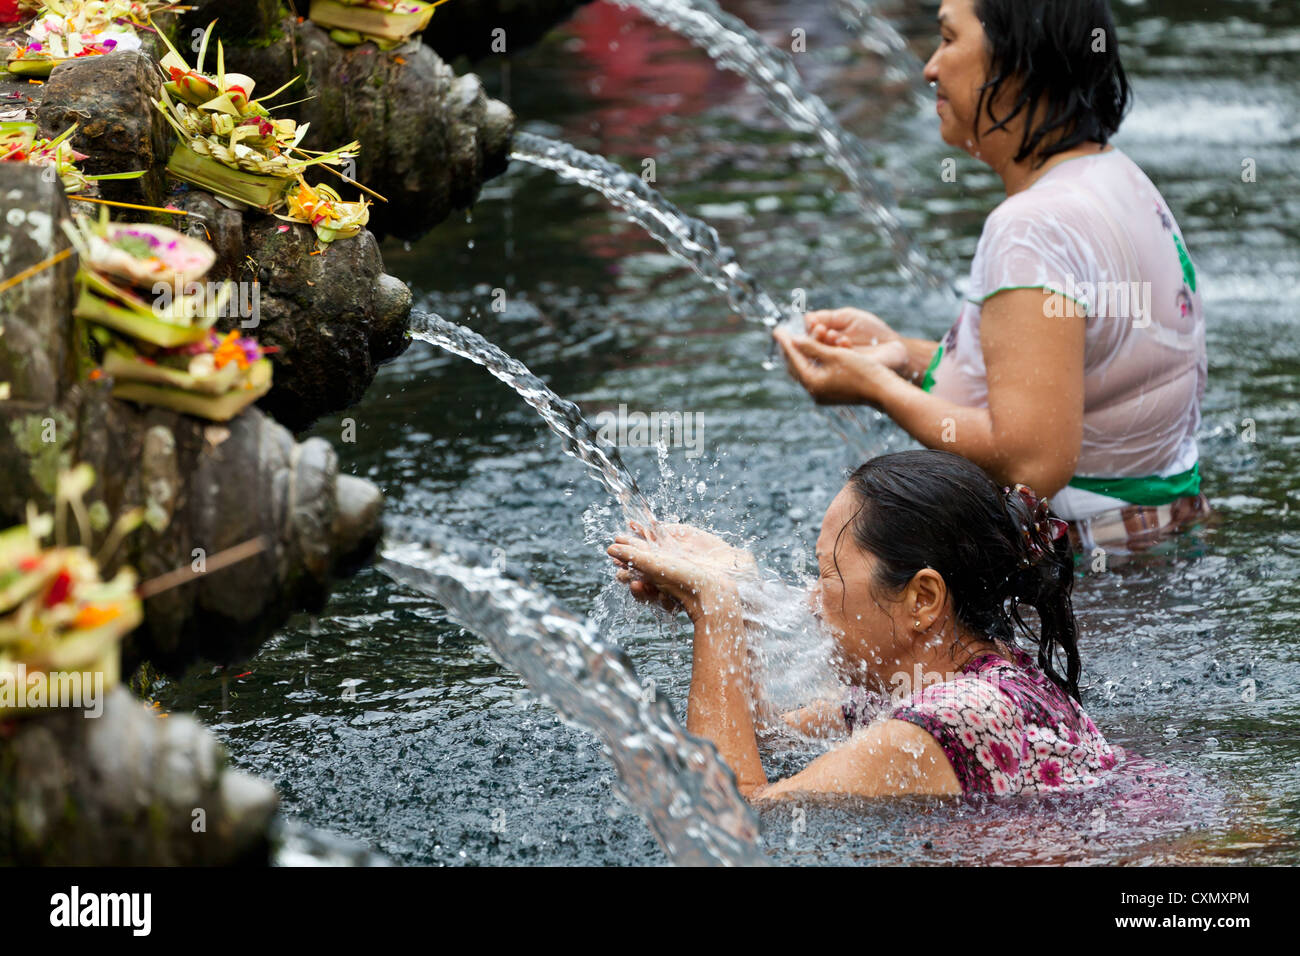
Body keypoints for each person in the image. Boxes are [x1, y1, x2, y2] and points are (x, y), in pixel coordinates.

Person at [773, 0, 1209, 557]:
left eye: (949, 40)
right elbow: (1068, 376)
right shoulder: (1114, 177)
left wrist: (874, 387)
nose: (930, 67)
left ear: (1015, 62)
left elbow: (1034, 463)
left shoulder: (1030, 226)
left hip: (1091, 578)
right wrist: (902, 355)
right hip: (1154, 545)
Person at [608, 449, 1120, 800]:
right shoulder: (959, 681)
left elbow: (729, 816)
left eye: (829, 577)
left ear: (923, 599)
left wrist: (712, 609)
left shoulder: (950, 718)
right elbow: (763, 739)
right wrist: (739, 596)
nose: (813, 601)